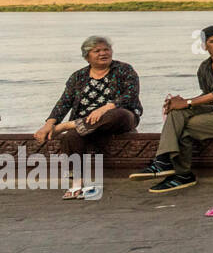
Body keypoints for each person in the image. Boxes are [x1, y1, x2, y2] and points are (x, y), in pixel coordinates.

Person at [129, 25, 213, 193]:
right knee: (176, 112)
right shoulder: (204, 68)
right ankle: (164, 163)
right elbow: (208, 97)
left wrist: (187, 102)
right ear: (205, 45)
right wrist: (180, 102)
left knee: (186, 127)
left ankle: (179, 173)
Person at [34, 36, 142, 198]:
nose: (103, 53)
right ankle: (77, 183)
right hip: (86, 123)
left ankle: (68, 126)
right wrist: (49, 124)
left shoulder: (124, 70)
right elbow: (64, 102)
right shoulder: (78, 76)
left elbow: (130, 96)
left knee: (115, 115)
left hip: (119, 116)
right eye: (97, 51)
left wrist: (105, 108)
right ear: (87, 56)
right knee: (71, 138)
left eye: (106, 49)